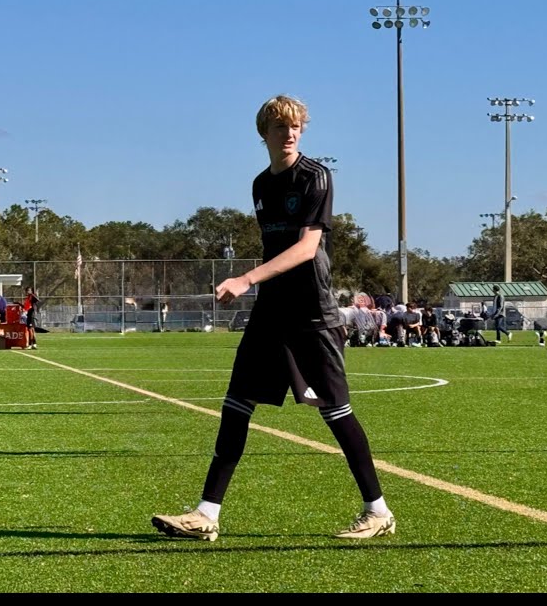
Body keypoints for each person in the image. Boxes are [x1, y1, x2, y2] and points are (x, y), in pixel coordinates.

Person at [151, 94, 395, 542]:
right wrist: (257, 286)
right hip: (271, 312)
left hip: (311, 313)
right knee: (235, 406)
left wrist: (246, 278)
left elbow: (305, 249)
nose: (290, 134)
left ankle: (377, 511)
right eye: (281, 127)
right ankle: (207, 513)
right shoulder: (261, 184)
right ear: (263, 133)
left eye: (296, 126)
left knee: (336, 412)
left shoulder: (316, 176)